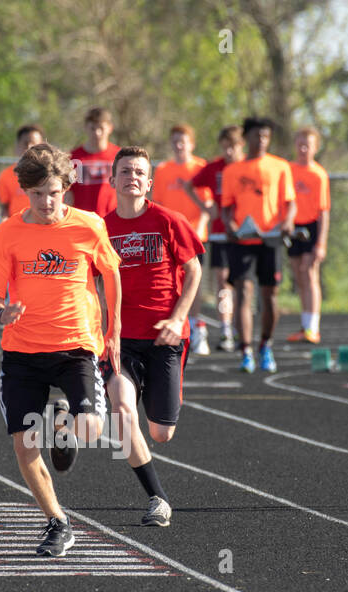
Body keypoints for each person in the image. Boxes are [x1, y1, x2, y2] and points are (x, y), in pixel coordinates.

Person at [0, 143, 122, 557]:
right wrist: (2, 312)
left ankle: (63, 421)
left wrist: (113, 331)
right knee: (24, 445)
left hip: (74, 345)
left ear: (67, 188)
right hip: (22, 351)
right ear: (25, 191)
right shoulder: (9, 231)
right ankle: (57, 522)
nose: (46, 202)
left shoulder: (89, 226)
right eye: (37, 193)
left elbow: (111, 274)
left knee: (92, 428)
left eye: (54, 192)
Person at [104, 146, 204, 526]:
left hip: (165, 339)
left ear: (149, 182)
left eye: (139, 172)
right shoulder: (101, 227)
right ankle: (157, 499)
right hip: (121, 339)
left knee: (161, 433)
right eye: (125, 170)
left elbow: (194, 270)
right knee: (122, 407)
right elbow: (92, 281)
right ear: (113, 180)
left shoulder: (169, 220)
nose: (132, 176)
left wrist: (178, 318)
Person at [220, 116, 294, 373]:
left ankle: (265, 345)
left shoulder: (281, 166)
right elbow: (226, 207)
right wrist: (229, 225)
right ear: (246, 138)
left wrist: (288, 222)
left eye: (265, 135)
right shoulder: (233, 170)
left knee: (270, 295)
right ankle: (245, 351)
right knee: (243, 292)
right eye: (255, 135)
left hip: (270, 239)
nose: (260, 139)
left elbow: (290, 202)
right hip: (242, 240)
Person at [186, 125, 245, 352]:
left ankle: (241, 328)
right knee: (222, 282)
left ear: (241, 146)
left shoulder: (247, 167)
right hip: (220, 233)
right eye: (225, 147)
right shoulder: (214, 168)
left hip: (245, 234)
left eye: (233, 147)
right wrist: (206, 208)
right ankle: (225, 329)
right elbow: (189, 186)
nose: (229, 152)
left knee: (243, 284)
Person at [151, 124, 209, 354]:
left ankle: (196, 329)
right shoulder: (164, 169)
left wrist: (200, 229)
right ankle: (175, 326)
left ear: (191, 143)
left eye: (183, 140)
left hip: (194, 235)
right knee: (172, 283)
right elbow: (159, 205)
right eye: (175, 140)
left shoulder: (200, 167)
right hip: (169, 237)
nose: (179, 145)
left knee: (194, 281)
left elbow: (207, 206)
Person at [284, 126, 331, 345]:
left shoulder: (318, 174)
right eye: (300, 144)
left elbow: (323, 212)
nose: (303, 149)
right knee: (299, 275)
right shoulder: (288, 170)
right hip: (292, 227)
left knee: (310, 273)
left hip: (311, 227)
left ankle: (314, 327)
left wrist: (320, 242)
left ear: (315, 148)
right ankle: (305, 326)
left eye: (308, 145)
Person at [67, 107, 119, 217]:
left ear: (110, 128)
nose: (97, 133)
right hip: (82, 221)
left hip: (113, 220)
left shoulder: (120, 156)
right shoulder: (73, 158)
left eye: (101, 128)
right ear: (86, 128)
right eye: (93, 128)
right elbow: (68, 193)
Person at [0, 125, 44, 218]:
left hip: (43, 228)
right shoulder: (6, 175)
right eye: (25, 143)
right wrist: (4, 224)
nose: (29, 147)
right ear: (18, 145)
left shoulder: (50, 174)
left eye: (34, 143)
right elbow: (4, 206)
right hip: (17, 228)